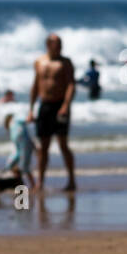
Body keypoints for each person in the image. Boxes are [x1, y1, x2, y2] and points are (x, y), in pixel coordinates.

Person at [30, 34, 77, 191]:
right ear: (48, 45)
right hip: (44, 106)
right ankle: (40, 182)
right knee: (43, 146)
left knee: (63, 144)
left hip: (60, 106)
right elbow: (36, 85)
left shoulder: (65, 63)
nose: (60, 46)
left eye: (61, 44)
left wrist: (66, 105)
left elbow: (71, 85)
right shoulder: (39, 62)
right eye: (57, 44)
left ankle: (71, 180)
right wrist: (31, 108)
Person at [1, 112, 36, 189]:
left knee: (25, 166)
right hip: (20, 148)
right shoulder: (12, 128)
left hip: (25, 145)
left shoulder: (15, 120)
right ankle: (19, 183)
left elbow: (26, 119)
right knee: (11, 164)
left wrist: (30, 119)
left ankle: (32, 185)